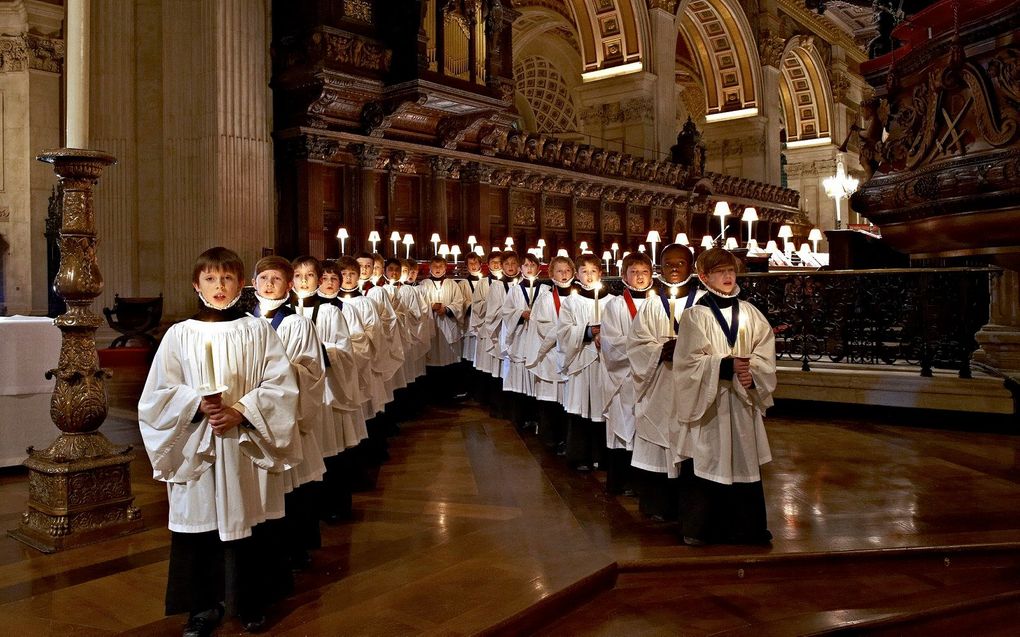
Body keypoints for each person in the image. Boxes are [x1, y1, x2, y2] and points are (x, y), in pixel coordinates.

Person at [138, 247, 300, 636]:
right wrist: (197, 404)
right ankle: (202, 606)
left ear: (239, 283)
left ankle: (250, 601)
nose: (219, 286)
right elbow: (157, 394)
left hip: (244, 442)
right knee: (201, 524)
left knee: (249, 518)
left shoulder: (257, 330)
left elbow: (281, 384)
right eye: (210, 279)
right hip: (200, 444)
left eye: (227, 278)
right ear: (197, 284)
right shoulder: (179, 334)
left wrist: (241, 410)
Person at [673, 247, 776, 546]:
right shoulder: (696, 316)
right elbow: (687, 362)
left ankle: (746, 528)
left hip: (741, 401)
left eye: (730, 271)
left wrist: (752, 370)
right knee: (709, 456)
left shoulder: (749, 312)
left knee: (742, 459)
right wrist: (722, 365)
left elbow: (764, 350)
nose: (728, 276)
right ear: (705, 277)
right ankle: (702, 527)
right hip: (712, 403)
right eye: (720, 272)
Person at [250, 256, 327, 570]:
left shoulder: (298, 323)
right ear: (254, 282)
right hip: (252, 416)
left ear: (289, 285)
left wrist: (278, 377)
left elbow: (311, 372)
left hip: (286, 415)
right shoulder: (244, 323)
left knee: (292, 485)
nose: (269, 285)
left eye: (277, 279)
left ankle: (296, 548)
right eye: (264, 278)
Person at [628, 244, 703, 519]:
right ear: (660, 269)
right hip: (660, 385)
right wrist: (659, 351)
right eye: (668, 264)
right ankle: (659, 505)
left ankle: (691, 508)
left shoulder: (705, 304)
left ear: (691, 267)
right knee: (660, 441)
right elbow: (635, 345)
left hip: (695, 387)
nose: (673, 268)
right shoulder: (650, 305)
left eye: (680, 263)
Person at [291, 255, 364, 522]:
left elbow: (346, 353)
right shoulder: (286, 314)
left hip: (326, 394)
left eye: (309, 276)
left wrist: (319, 351)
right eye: (298, 276)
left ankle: (335, 507)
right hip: (296, 394)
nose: (303, 281)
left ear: (318, 279)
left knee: (330, 452)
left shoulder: (330, 311)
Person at [598, 251, 653, 495]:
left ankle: (644, 484)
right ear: (624, 276)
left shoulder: (659, 304)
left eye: (644, 272)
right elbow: (611, 343)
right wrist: (645, 348)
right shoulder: (615, 305)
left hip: (652, 378)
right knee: (624, 427)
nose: (639, 277)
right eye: (634, 272)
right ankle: (622, 481)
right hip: (625, 378)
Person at [556, 253, 614, 472]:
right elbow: (563, 332)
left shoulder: (612, 301)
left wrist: (606, 337)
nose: (589, 276)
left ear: (600, 273)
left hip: (604, 364)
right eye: (584, 271)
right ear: (577, 274)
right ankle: (580, 456)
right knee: (581, 408)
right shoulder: (572, 302)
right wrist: (588, 332)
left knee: (602, 409)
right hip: (580, 362)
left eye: (593, 271)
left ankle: (603, 457)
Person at [524, 255, 574, 451]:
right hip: (550, 355)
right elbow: (543, 327)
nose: (564, 275)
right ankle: (550, 440)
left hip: (572, 355)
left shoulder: (577, 297)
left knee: (568, 403)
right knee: (550, 402)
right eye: (559, 271)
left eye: (567, 271)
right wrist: (571, 331)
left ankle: (566, 440)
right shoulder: (545, 299)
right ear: (551, 274)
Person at [501, 251, 545, 429]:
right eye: (526, 265)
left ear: (538, 268)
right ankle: (521, 416)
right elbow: (506, 312)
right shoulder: (514, 290)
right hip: (520, 338)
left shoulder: (546, 290)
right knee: (520, 378)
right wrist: (520, 314)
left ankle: (537, 416)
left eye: (532, 265)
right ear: (520, 269)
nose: (529, 268)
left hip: (538, 339)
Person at [421, 255, 466, 401]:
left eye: (441, 266)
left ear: (446, 268)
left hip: (448, 325)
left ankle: (449, 393)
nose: (438, 269)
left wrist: (447, 309)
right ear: (430, 268)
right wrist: (430, 307)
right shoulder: (424, 284)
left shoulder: (452, 284)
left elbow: (459, 303)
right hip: (432, 326)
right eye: (435, 266)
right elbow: (418, 305)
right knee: (432, 359)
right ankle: (432, 395)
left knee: (449, 360)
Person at [470, 251, 502, 406]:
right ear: (488, 265)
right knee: (486, 365)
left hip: (502, 329)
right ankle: (485, 397)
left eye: (499, 262)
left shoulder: (511, 283)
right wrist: (492, 301)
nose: (496, 265)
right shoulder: (483, 283)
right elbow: (476, 305)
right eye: (493, 262)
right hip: (486, 328)